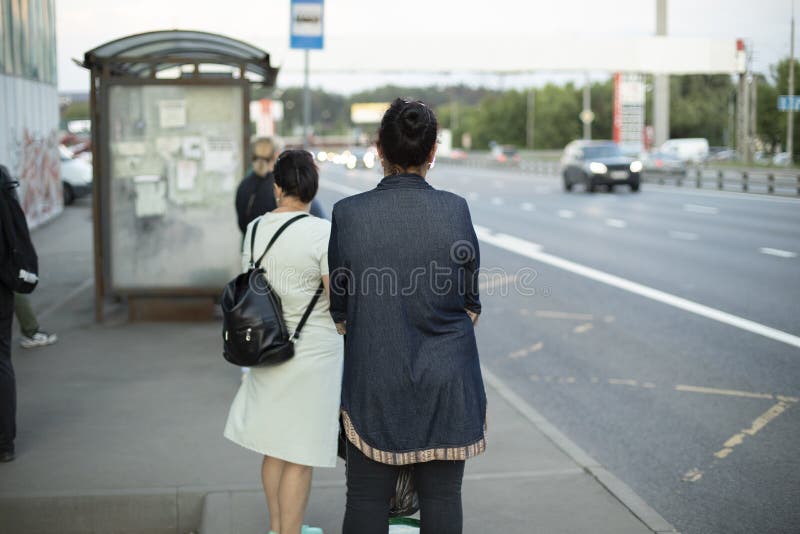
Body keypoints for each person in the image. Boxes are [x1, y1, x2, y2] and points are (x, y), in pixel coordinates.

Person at [328, 98, 485, 534]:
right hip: (446, 383)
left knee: (365, 497)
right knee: (441, 497)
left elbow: (341, 312)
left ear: (380, 149)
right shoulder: (455, 210)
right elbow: (471, 303)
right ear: (432, 151)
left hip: (374, 381)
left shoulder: (349, 214)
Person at [224, 150, 342, 534]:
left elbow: (252, 284)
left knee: (274, 446)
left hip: (266, 347)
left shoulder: (255, 229)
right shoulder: (323, 233)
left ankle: (278, 528)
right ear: (312, 187)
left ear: (276, 187)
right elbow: (335, 299)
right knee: (301, 454)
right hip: (313, 355)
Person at [235, 137, 325, 236]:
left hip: (253, 247)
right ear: (277, 154)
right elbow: (316, 215)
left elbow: (242, 224)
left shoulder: (244, 185)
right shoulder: (284, 183)